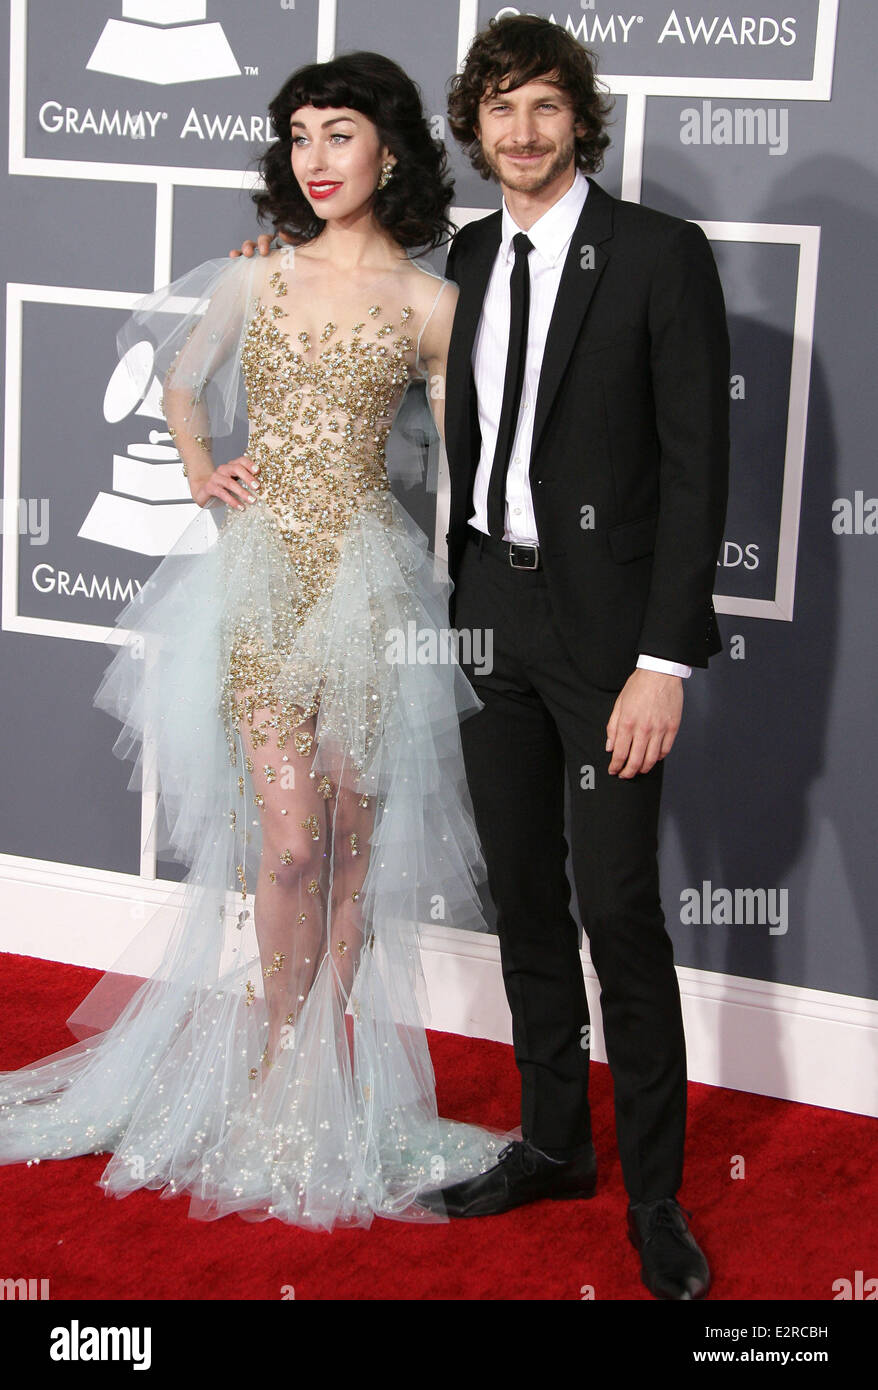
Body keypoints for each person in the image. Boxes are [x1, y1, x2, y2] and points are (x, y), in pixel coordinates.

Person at [239, 14, 730, 1297]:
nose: (519, 132)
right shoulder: (450, 263)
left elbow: (695, 474)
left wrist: (662, 663)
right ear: (472, 129)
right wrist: (265, 265)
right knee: (522, 897)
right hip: (482, 619)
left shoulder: (658, 258)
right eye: (498, 110)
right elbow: (332, 316)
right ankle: (554, 1142)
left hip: (608, 642)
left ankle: (660, 1195)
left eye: (544, 108)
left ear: (580, 120)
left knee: (617, 907)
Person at [0, 52, 509, 1232]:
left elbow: (458, 468)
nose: (315, 159)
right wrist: (199, 471)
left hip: (376, 594)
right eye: (299, 138)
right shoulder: (256, 282)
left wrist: (454, 581)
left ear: (389, 152)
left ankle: (329, 1073)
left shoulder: (434, 308)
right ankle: (281, 1069)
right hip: (263, 585)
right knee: (285, 847)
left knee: (348, 850)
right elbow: (185, 385)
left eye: (339, 135)